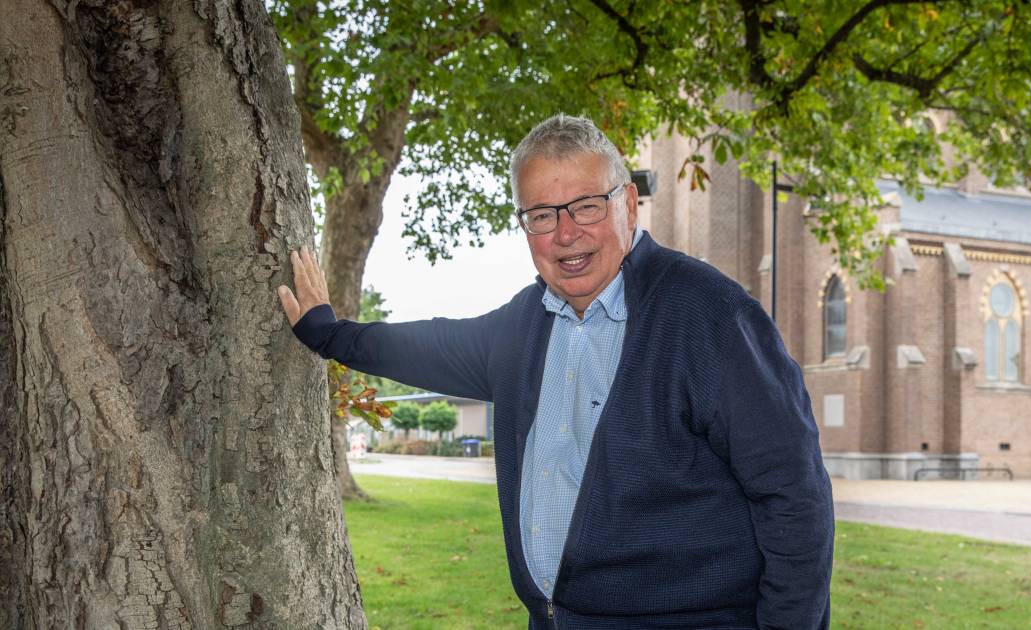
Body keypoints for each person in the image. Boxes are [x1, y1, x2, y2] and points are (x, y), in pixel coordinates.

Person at [277, 114, 834, 629]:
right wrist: (328, 332)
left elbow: (795, 499)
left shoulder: (710, 316)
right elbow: (425, 346)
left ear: (630, 206)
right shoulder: (523, 327)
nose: (566, 234)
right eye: (542, 215)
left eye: (587, 205)